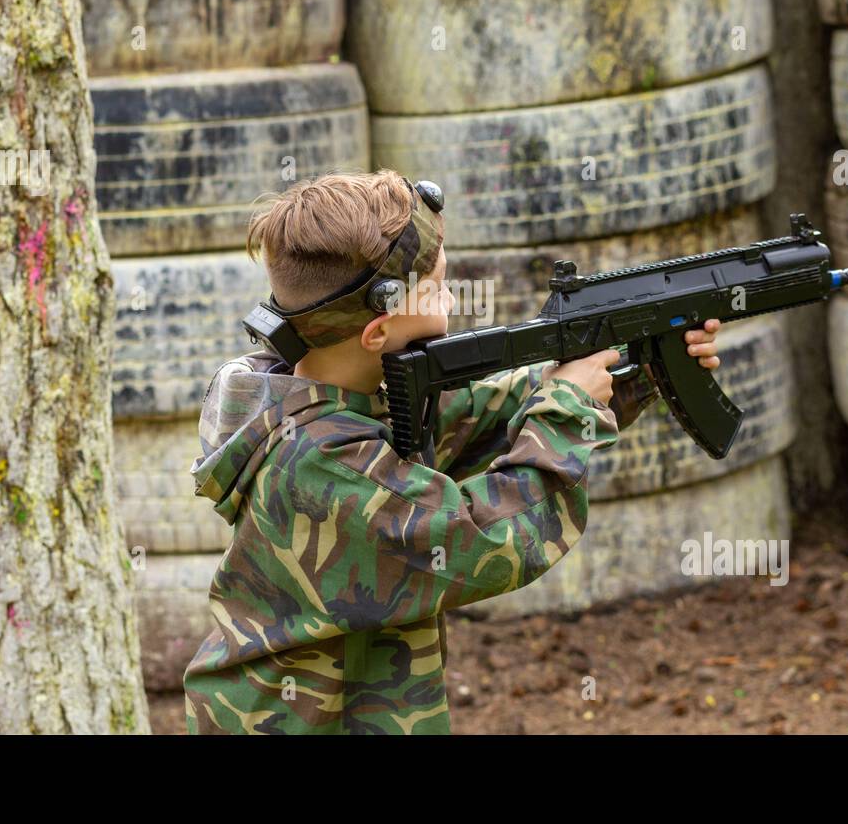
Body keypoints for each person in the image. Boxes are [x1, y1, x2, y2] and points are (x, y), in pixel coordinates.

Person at [183, 169, 722, 734]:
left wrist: (635, 365)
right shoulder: (321, 465)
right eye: (437, 287)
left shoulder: (339, 397)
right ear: (377, 333)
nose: (451, 296)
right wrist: (569, 409)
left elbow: (477, 417)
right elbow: (487, 540)